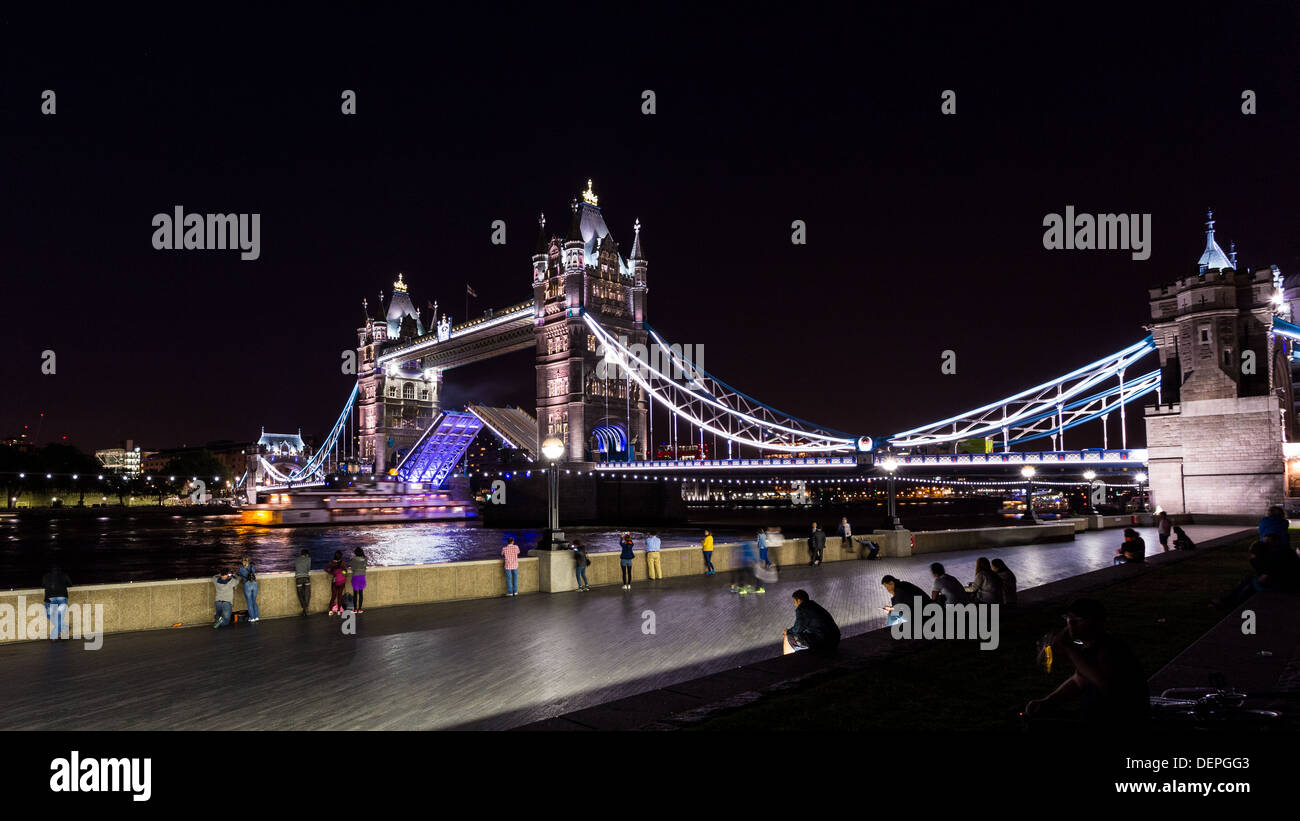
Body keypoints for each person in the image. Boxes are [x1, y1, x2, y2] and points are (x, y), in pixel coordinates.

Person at [1024, 598, 1148, 724]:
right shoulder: (1092, 648)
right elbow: (1079, 680)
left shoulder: (1110, 650)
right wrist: (1047, 702)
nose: (1070, 624)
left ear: (1096, 622)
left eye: (1078, 620)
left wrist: (1069, 649)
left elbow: (1108, 688)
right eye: (1068, 618)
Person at [1213, 537, 1300, 609]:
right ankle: (1228, 600)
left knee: (1250, 587)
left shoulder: (1273, 561)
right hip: (1287, 583)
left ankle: (1234, 604)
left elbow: (1262, 580)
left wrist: (1254, 579)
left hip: (1286, 587)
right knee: (1248, 580)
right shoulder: (1280, 553)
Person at [782, 589, 840, 653]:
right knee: (801, 634)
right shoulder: (814, 605)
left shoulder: (802, 608)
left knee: (788, 637)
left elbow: (798, 628)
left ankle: (787, 660)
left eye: (794, 601)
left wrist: (788, 631)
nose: (794, 604)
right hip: (835, 639)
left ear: (798, 600)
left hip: (824, 642)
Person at [41, 564, 72, 640]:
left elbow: (42, 585)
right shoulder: (64, 575)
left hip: (50, 598)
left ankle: (54, 636)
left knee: (51, 616)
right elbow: (70, 584)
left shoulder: (46, 576)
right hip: (62, 598)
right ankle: (64, 627)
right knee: (58, 617)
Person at [237, 557, 259, 623]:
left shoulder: (241, 568)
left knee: (249, 602)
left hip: (247, 584)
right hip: (254, 584)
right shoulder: (252, 567)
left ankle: (252, 618)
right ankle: (256, 617)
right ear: (248, 561)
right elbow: (254, 573)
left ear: (242, 561)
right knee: (254, 601)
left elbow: (240, 574)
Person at [325, 551, 347, 615]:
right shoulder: (342, 563)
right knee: (339, 596)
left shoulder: (332, 563)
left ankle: (330, 610)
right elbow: (345, 571)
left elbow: (325, 568)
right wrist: (341, 573)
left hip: (335, 581)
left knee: (333, 596)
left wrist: (332, 573)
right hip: (341, 581)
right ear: (341, 556)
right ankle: (338, 611)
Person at [293, 548, 312, 616]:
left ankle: (304, 608)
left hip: (298, 578)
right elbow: (308, 569)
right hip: (306, 578)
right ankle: (305, 608)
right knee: (307, 593)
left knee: (300, 594)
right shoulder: (308, 559)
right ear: (307, 554)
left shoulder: (296, 559)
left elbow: (296, 568)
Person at [350, 547, 368, 612]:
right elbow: (365, 566)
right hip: (362, 577)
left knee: (355, 594)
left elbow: (352, 568)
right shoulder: (365, 559)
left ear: (355, 553)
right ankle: (360, 609)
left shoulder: (353, 559)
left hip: (355, 576)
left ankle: (355, 609)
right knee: (361, 593)